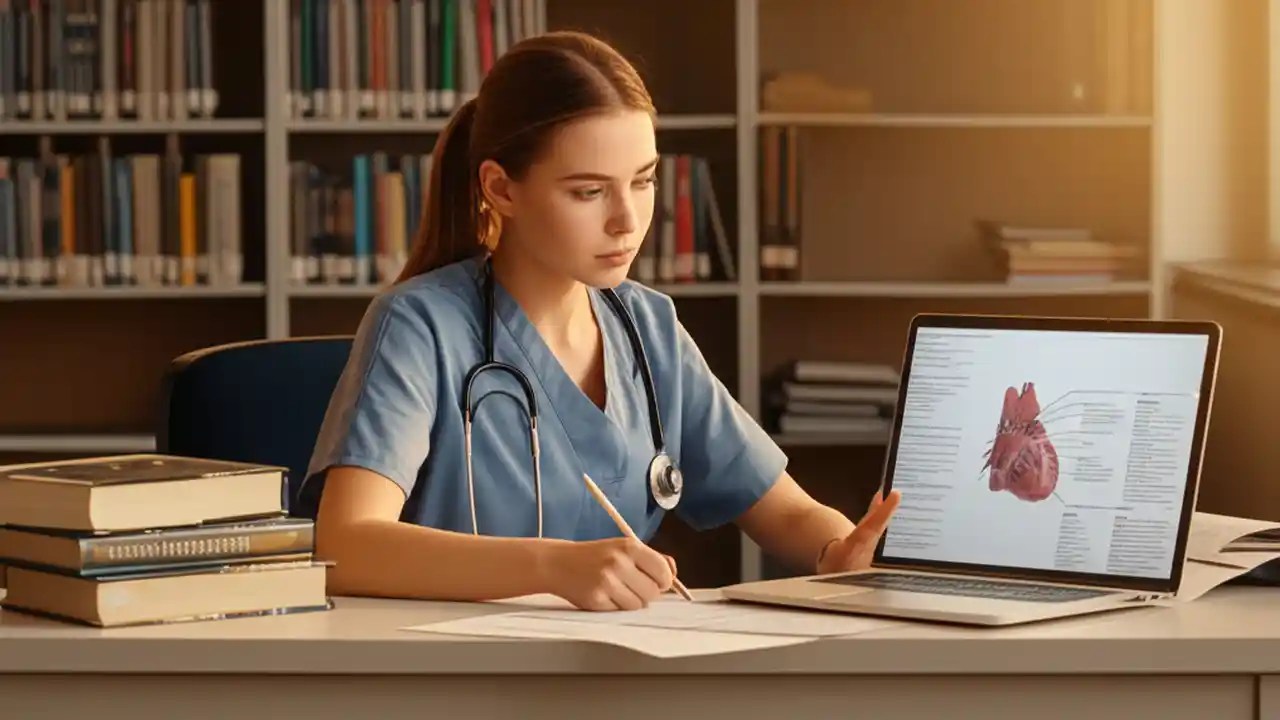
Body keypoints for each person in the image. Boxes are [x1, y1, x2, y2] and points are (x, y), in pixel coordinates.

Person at [299, 30, 901, 612]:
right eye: (589, 192)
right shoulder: (420, 324)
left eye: (643, 182)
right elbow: (348, 544)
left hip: (614, 679)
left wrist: (836, 550)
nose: (628, 220)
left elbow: (784, 510)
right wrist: (553, 567)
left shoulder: (648, 327)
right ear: (501, 189)